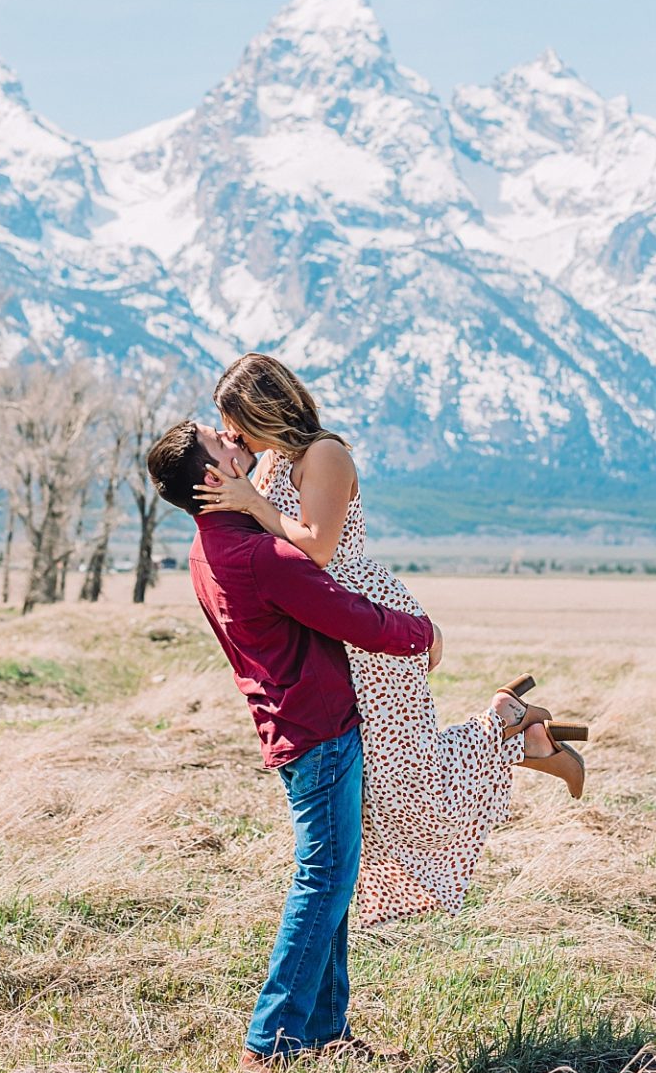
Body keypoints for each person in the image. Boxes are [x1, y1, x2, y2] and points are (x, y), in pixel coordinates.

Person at [194, 353, 587, 929]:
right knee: (378, 791)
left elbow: (317, 547)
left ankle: (507, 728)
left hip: (368, 621)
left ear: (263, 409)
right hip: (331, 628)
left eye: (236, 421)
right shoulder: (272, 461)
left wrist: (251, 502)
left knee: (406, 787)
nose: (232, 435)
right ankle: (516, 734)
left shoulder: (324, 454)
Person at [146, 418, 442, 1068]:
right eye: (221, 441)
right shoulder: (261, 556)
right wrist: (421, 633)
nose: (235, 439)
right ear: (213, 477)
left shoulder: (208, 547)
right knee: (323, 882)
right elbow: (351, 618)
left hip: (291, 727)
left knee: (330, 883)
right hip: (320, 731)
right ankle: (271, 1041)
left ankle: (325, 1032)